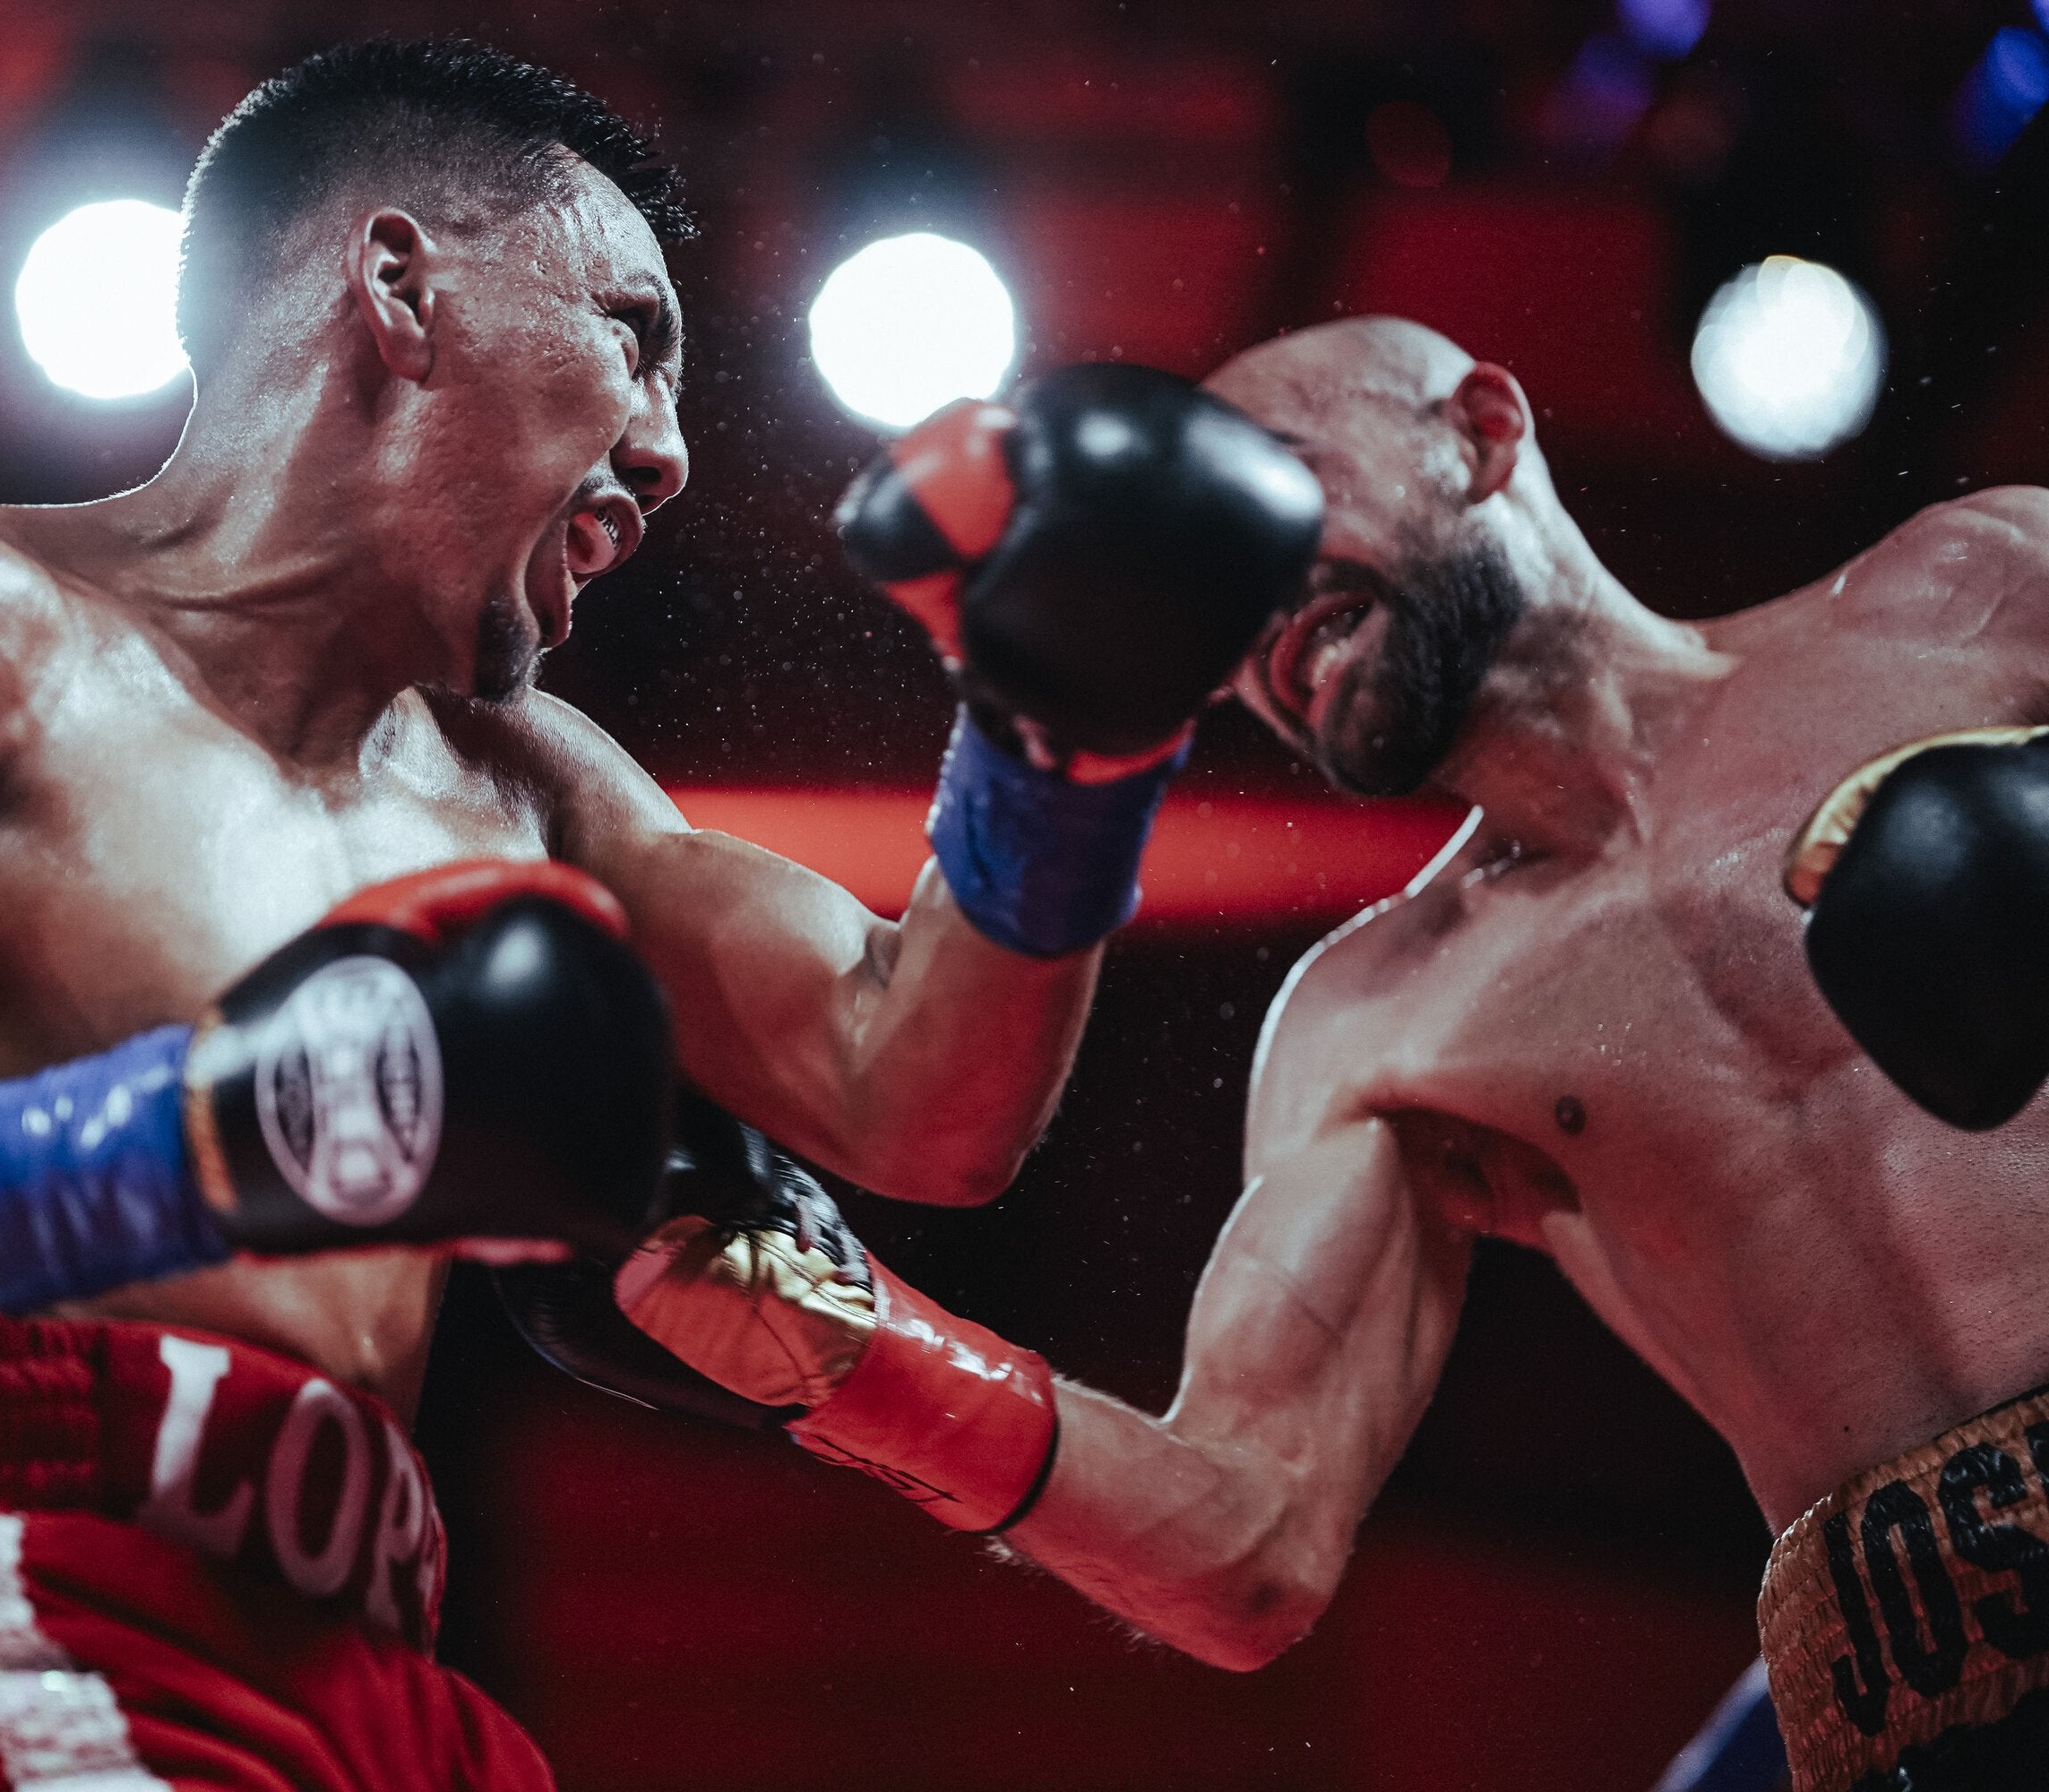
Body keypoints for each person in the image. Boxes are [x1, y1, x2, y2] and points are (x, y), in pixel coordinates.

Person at [0, 38, 1318, 1792]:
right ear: (402, 284)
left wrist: (1064, 745)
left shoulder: (528, 788)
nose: (677, 449)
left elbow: (920, 1098)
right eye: (636, 335)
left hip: (369, 1670)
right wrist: (218, 1138)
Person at [606, 315, 2049, 1792]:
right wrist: (849, 1347)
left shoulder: (1972, 600)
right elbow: (1249, 1548)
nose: (1239, 607)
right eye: (1203, 593)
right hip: (1919, 1717)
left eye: (1273, 493)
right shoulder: (1380, 1023)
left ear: (1481, 431)